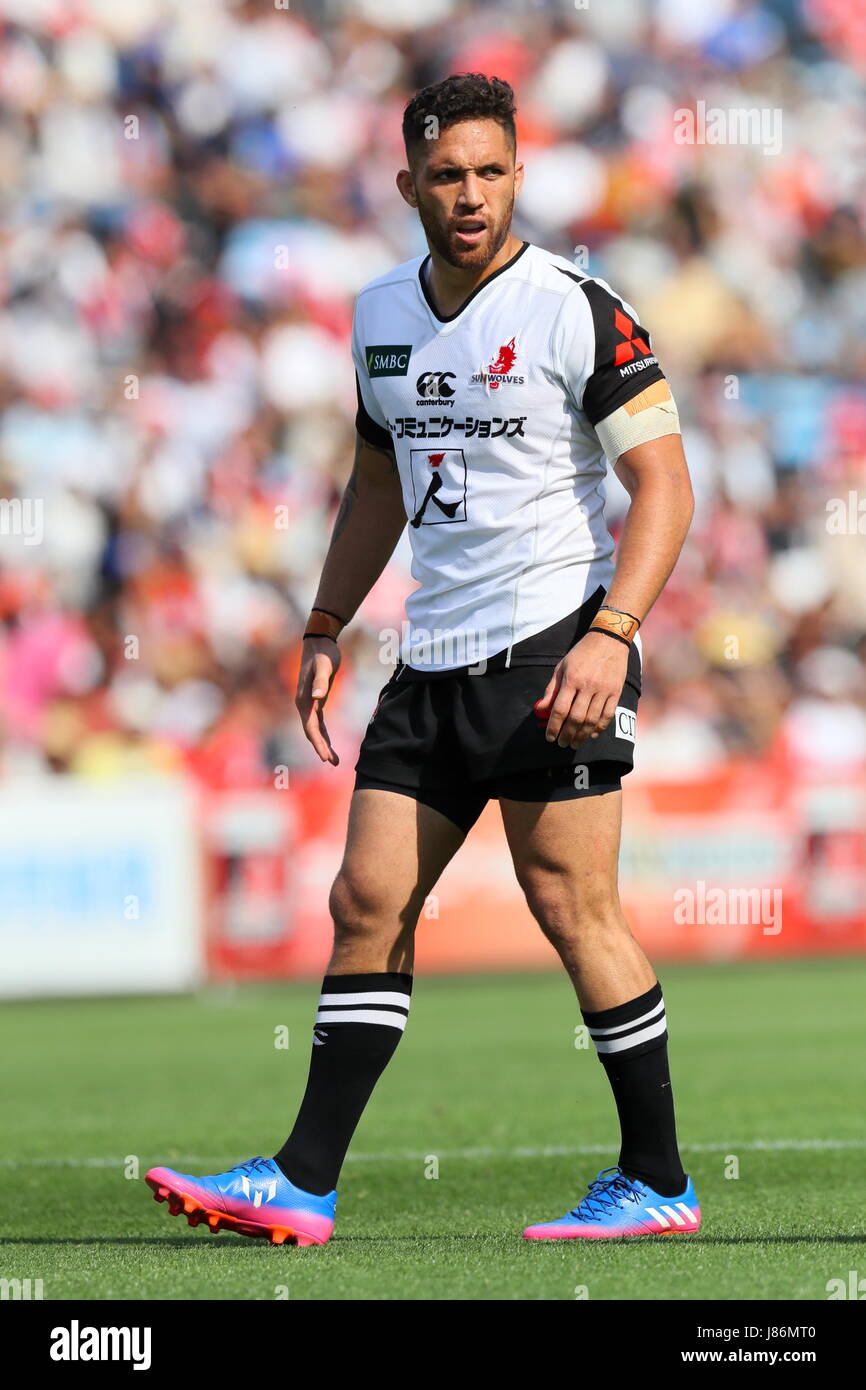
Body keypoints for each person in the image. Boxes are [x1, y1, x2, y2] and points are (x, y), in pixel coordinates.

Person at [146, 72, 699, 1246]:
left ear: (518, 176)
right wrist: (322, 623)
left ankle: (655, 1178)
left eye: (490, 171)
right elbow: (374, 478)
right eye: (446, 174)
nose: (468, 193)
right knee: (366, 900)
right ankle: (302, 1180)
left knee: (570, 904)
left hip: (555, 641)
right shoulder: (376, 315)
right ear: (408, 184)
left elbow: (665, 484)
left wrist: (611, 634)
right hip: (429, 656)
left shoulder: (575, 307)